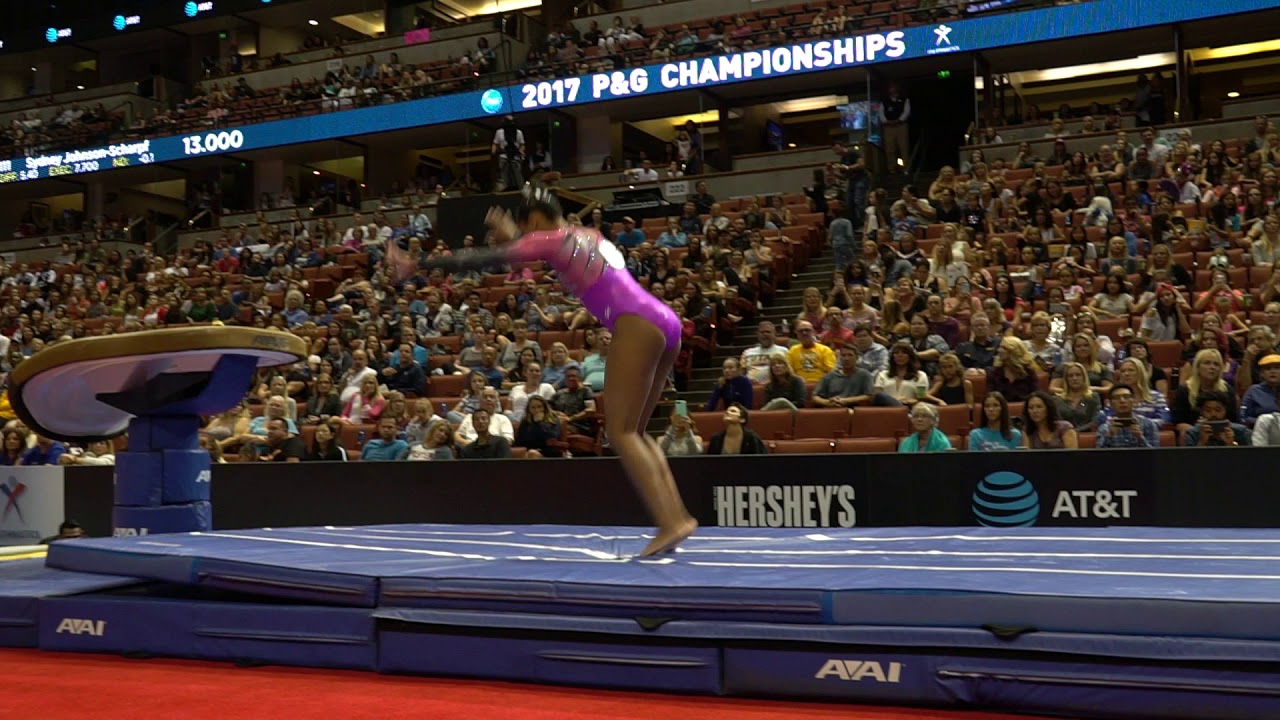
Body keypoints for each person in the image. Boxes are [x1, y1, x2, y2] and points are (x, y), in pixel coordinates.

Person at [386, 185, 695, 556]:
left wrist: (417, 265)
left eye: (527, 228)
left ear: (533, 221)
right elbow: (563, 257)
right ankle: (677, 518)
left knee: (621, 431)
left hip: (636, 323)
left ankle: (671, 521)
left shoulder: (550, 239)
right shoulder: (587, 233)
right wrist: (519, 238)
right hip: (663, 319)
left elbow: (484, 258)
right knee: (637, 432)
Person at [1096, 385, 1160, 448]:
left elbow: (1155, 455)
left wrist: (1140, 438)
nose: (1122, 401)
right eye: (1116, 398)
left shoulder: (1149, 424)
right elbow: (1099, 456)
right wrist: (1110, 435)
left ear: (1134, 400)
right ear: (1111, 403)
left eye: (1126, 396)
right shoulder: (1104, 428)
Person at [1182, 390, 1248, 447]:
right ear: (1201, 412)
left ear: (1225, 410)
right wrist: (1202, 442)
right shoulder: (1192, 434)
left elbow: (1248, 458)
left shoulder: (1241, 432)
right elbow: (1190, 460)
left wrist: (1231, 443)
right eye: (1208, 410)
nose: (1213, 414)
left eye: (1218, 410)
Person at [492, 115, 525, 191]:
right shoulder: (499, 132)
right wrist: (493, 152)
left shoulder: (519, 132)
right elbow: (495, 143)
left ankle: (520, 189)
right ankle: (506, 190)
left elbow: (522, 144)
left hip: (515, 156)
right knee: (505, 175)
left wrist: (521, 152)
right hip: (503, 155)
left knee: (517, 175)